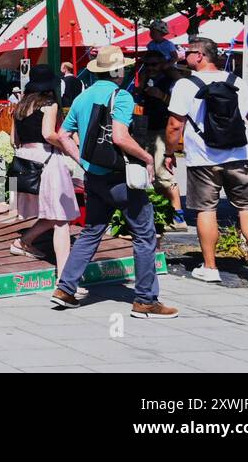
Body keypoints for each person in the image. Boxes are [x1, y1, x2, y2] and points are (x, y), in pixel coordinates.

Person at [51, 45, 177, 318]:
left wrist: (82, 160)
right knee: (144, 235)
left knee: (91, 232)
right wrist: (146, 157)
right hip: (120, 178)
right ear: (118, 71)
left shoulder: (83, 97)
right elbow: (120, 137)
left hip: (94, 177)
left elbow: (62, 134)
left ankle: (66, 287)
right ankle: (145, 300)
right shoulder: (121, 97)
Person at [165, 36, 248, 287]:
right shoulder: (237, 82)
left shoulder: (185, 85)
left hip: (202, 160)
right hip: (239, 156)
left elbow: (175, 125)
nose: (185, 55)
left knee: (207, 210)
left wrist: (169, 153)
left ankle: (210, 267)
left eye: (189, 51)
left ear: (201, 55)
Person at [9, 64, 80, 284]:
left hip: (26, 159)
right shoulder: (50, 105)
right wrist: (67, 144)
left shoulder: (19, 107)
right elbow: (48, 134)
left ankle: (23, 242)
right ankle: (65, 279)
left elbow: (14, 141)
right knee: (61, 219)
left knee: (54, 214)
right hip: (48, 162)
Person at [131, 49, 188, 231]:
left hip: (163, 130)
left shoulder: (171, 81)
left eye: (154, 64)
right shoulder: (146, 80)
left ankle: (178, 216)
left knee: (164, 173)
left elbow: (182, 105)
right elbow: (138, 99)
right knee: (150, 175)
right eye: (146, 64)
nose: (150, 68)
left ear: (162, 64)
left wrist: (161, 96)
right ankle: (161, 213)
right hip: (146, 129)